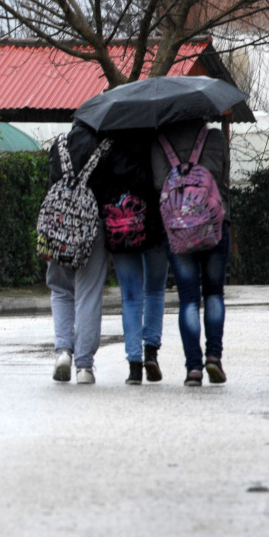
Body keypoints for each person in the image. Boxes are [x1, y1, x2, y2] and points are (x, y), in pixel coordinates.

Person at [151, 119, 232, 387]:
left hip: (178, 232)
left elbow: (158, 185)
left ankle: (193, 368)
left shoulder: (160, 143)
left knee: (188, 299)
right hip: (214, 229)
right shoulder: (217, 138)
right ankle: (213, 357)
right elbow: (221, 180)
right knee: (213, 293)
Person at [96, 130, 169, 385]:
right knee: (155, 291)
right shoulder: (157, 145)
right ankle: (151, 352)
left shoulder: (108, 150)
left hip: (120, 229)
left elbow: (98, 190)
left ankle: (134, 366)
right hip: (154, 226)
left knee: (130, 296)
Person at [47, 122, 113, 385]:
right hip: (91, 227)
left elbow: (51, 182)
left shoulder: (60, 144)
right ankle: (84, 367)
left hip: (58, 224)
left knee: (61, 289)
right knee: (88, 293)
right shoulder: (106, 148)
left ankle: (63, 351)